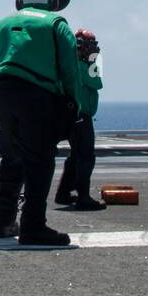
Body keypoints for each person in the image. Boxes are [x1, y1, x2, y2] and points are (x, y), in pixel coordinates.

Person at [0, 0, 81, 246]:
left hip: (3, 96)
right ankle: (33, 226)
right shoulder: (56, 23)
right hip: (38, 98)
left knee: (11, 159)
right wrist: (72, 101)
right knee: (39, 163)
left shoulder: (3, 24)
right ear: (53, 2)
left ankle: (2, 222)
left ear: (20, 2)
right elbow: (70, 67)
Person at [55, 28, 106, 210]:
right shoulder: (82, 66)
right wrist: (94, 59)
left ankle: (63, 192)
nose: (93, 49)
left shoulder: (68, 63)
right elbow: (97, 83)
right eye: (90, 45)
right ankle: (83, 196)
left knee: (76, 155)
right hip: (81, 115)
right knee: (86, 155)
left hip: (71, 115)